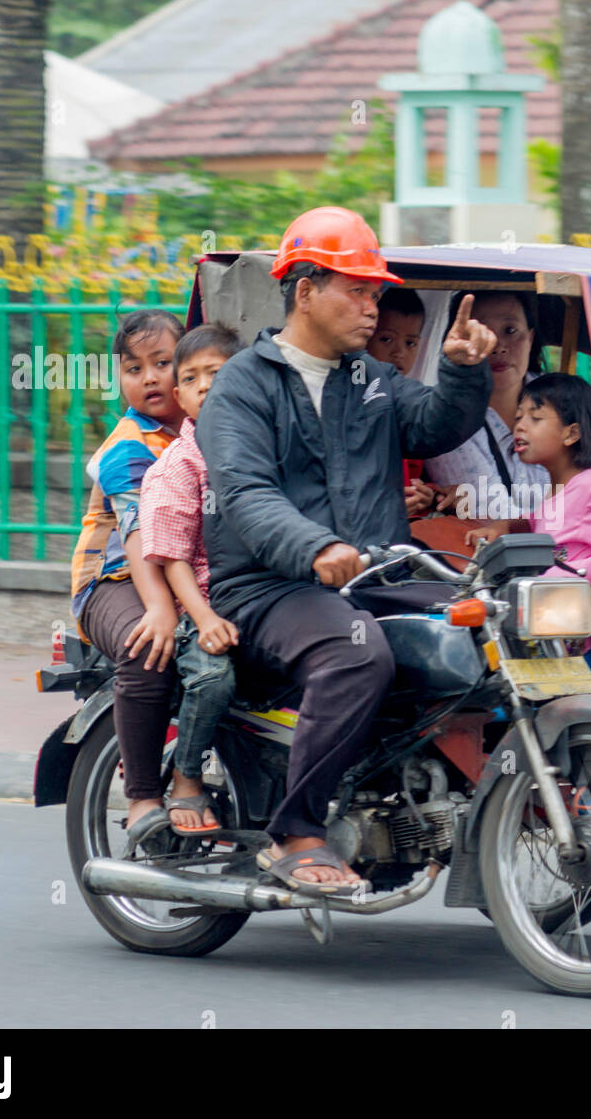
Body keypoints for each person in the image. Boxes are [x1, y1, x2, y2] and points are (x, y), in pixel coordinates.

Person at [194, 206, 494, 895]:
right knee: (357, 650)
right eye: (357, 291)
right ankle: (297, 831)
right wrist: (317, 544)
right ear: (305, 290)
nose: (372, 307)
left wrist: (462, 371)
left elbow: (435, 424)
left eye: (374, 292)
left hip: (373, 573)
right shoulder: (242, 385)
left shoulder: (370, 380)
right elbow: (245, 493)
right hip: (270, 586)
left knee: (489, 621)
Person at [68, 309, 186, 850]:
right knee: (148, 646)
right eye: (134, 368)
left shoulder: (205, 430)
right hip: (113, 582)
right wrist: (160, 609)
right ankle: (142, 798)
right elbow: (139, 533)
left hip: (182, 574)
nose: (150, 378)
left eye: (163, 363)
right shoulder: (127, 445)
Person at [137, 323, 245, 836]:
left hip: (260, 600)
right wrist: (202, 619)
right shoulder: (177, 466)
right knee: (212, 676)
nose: (205, 386)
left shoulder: (263, 452)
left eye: (218, 374)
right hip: (200, 607)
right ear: (179, 394)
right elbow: (173, 557)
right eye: (192, 378)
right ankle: (185, 776)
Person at [465, 373, 591, 600]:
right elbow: (540, 520)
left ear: (571, 433)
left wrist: (587, 602)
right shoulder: (562, 488)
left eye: (535, 418)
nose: (519, 427)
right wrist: (504, 525)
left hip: (570, 622)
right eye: (518, 417)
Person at [424, 290, 551, 521]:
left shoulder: (559, 397)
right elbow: (495, 514)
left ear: (530, 338)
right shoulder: (446, 416)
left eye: (510, 330)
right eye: (481, 333)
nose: (498, 346)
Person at [365, 286, 434, 517]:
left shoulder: (413, 404)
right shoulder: (355, 399)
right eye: (386, 339)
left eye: (410, 343)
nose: (399, 353)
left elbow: (417, 479)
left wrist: (427, 495)